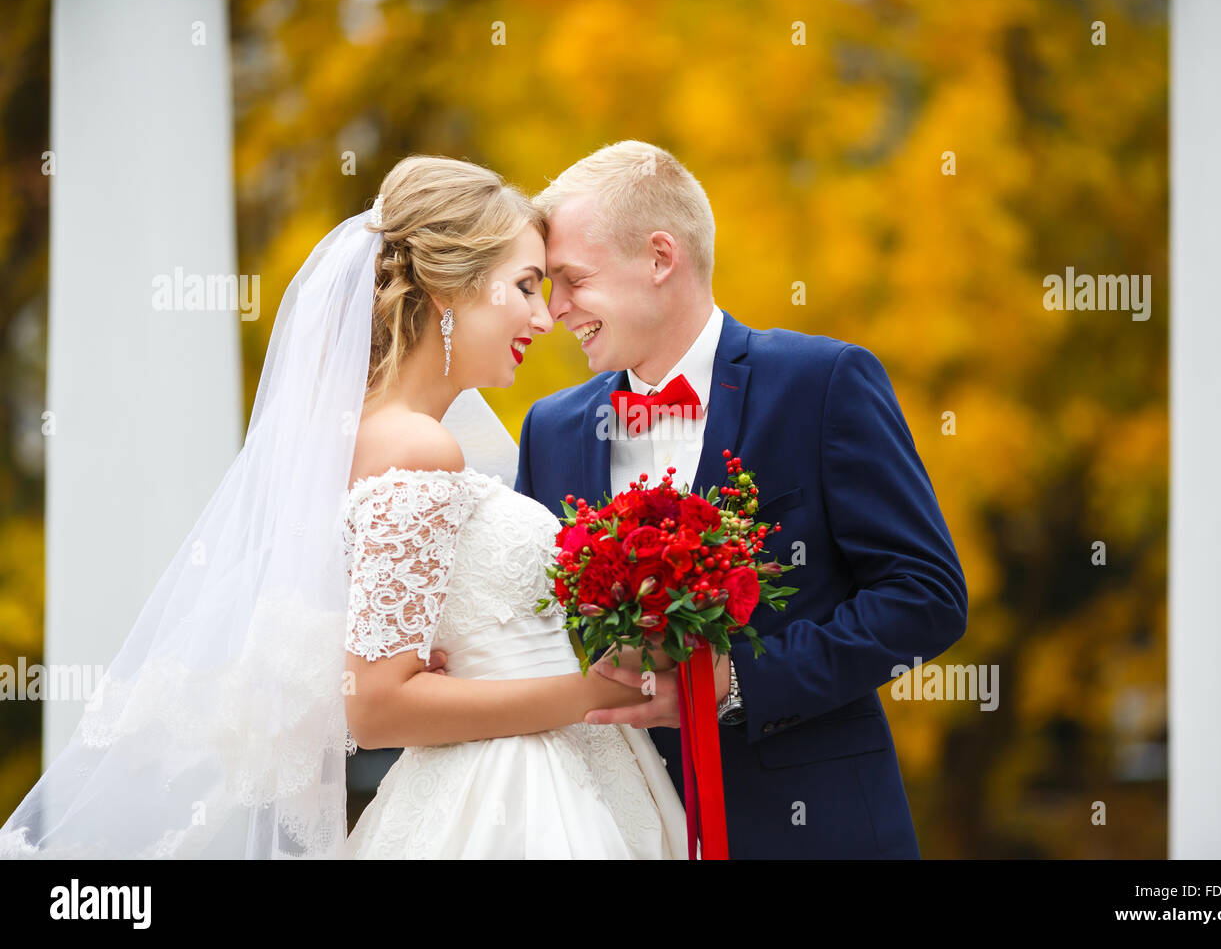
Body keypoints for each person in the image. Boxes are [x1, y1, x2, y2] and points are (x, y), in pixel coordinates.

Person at [0, 154, 686, 859]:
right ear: (450, 291)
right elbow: (382, 705)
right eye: (526, 287)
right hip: (512, 801)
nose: (545, 318)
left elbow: (364, 657)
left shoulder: (375, 436)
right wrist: (596, 690)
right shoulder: (418, 446)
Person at [505, 140, 969, 859]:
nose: (554, 309)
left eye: (571, 279)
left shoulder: (824, 383)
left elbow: (926, 596)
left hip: (814, 826)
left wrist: (738, 684)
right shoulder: (551, 429)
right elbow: (528, 624)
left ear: (662, 258)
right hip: (614, 825)